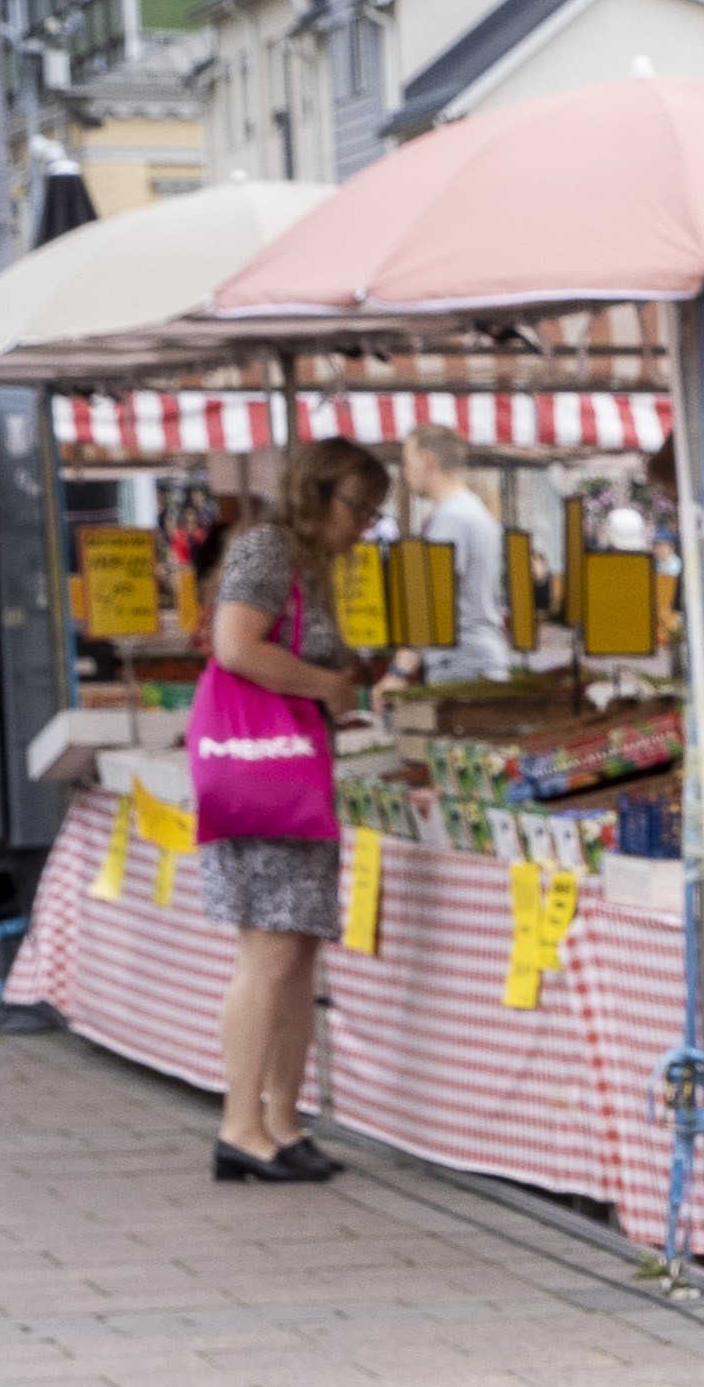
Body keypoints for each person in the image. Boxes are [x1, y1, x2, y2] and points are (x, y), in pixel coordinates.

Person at [199, 437, 389, 1184]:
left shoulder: (307, 565)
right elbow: (235, 647)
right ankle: (240, 1125)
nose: (363, 524)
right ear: (316, 493)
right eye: (357, 507)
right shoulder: (266, 551)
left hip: (293, 785)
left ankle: (280, 1118)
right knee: (269, 956)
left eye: (373, 513)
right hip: (263, 782)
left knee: (297, 954)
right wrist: (325, 685)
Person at [401, 426, 514, 681]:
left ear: (427, 460)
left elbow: (432, 602)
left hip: (461, 662)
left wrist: (399, 669)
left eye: (407, 462)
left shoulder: (451, 519)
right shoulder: (473, 510)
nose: (406, 473)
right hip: (477, 658)